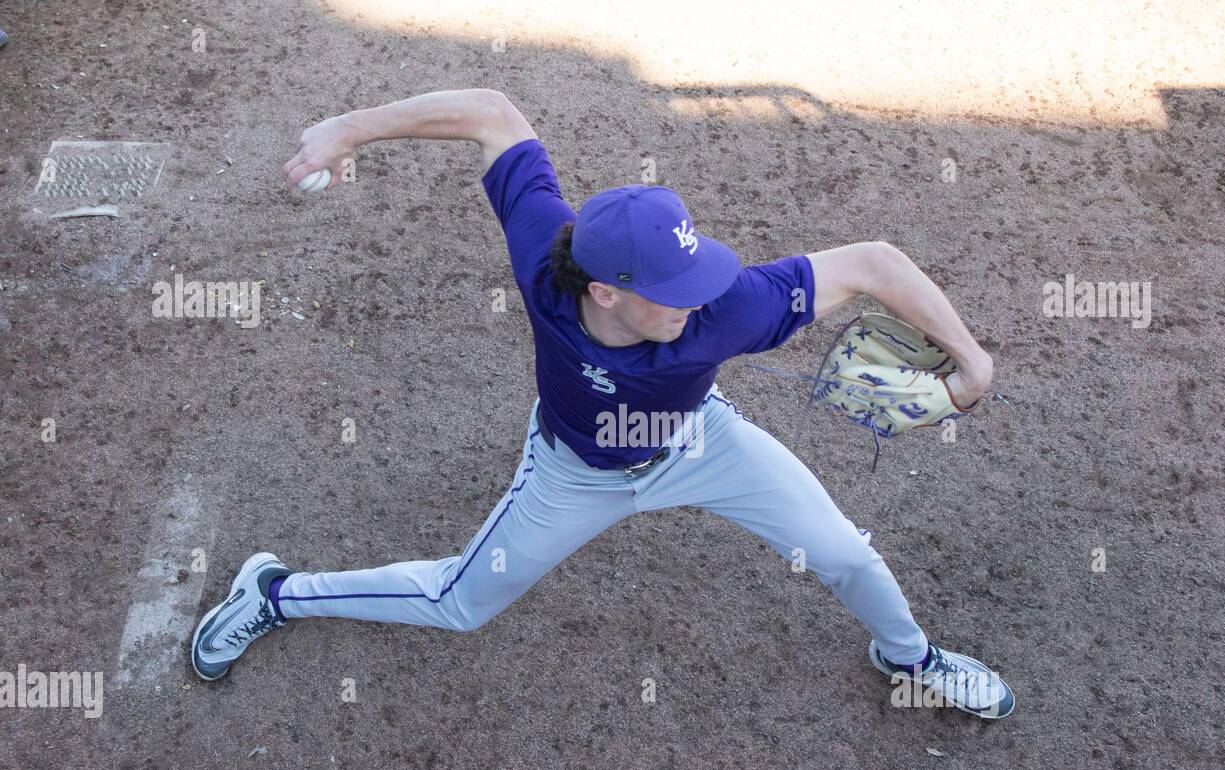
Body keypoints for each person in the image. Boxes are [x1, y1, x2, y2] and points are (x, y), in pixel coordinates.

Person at [192, 88, 1014, 718]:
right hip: (571, 472)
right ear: (604, 293)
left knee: (844, 552)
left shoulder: (731, 303)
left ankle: (910, 660)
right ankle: (271, 592)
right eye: (672, 293)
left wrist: (971, 365)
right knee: (460, 603)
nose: (699, 301)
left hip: (700, 443)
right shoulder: (547, 267)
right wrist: (348, 130)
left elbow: (872, 261)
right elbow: (490, 112)